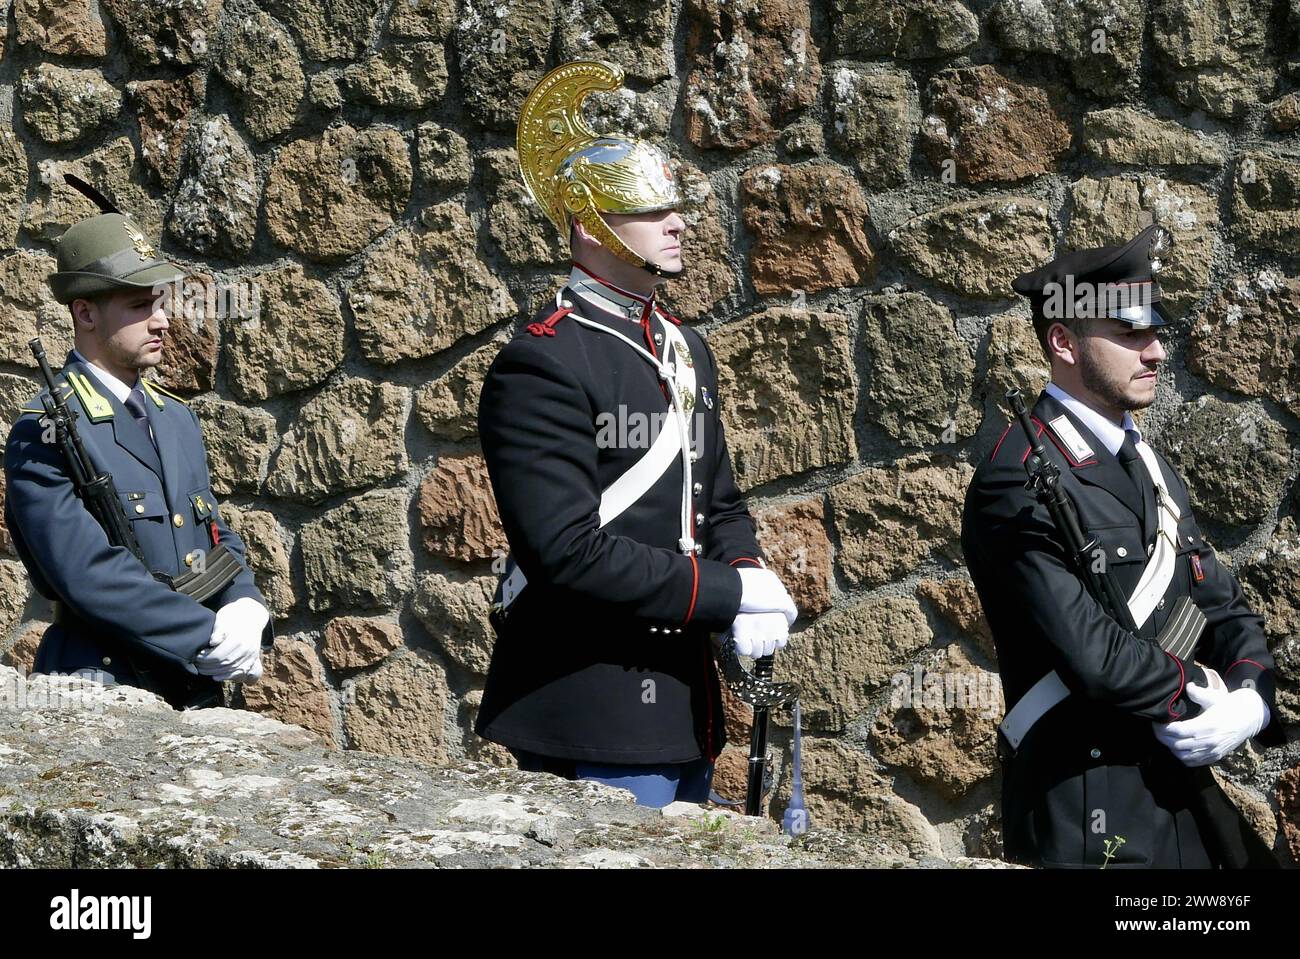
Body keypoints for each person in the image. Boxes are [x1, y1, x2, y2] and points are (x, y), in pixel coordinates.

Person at [475, 60, 798, 807]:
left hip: (685, 710)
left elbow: (716, 499)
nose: (678, 221)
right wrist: (726, 590)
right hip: (594, 708)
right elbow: (567, 553)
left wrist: (748, 574)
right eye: (650, 211)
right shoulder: (543, 361)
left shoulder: (684, 346)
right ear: (589, 224)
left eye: (673, 206)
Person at [962, 224, 1286, 867]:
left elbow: (1221, 606)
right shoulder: (1019, 476)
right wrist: (1201, 688)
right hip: (1088, 809)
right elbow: (1093, 655)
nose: (1157, 351)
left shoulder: (1149, 465)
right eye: (1131, 334)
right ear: (1063, 341)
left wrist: (1250, 697)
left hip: (1176, 798)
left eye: (1155, 332)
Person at [4, 202, 270, 709]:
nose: (163, 321)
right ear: (85, 312)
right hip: (98, 686)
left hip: (188, 686)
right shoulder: (44, 430)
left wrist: (244, 605)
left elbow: (213, 533)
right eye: (139, 305)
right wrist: (204, 635)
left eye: (162, 303)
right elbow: (85, 572)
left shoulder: (175, 418)